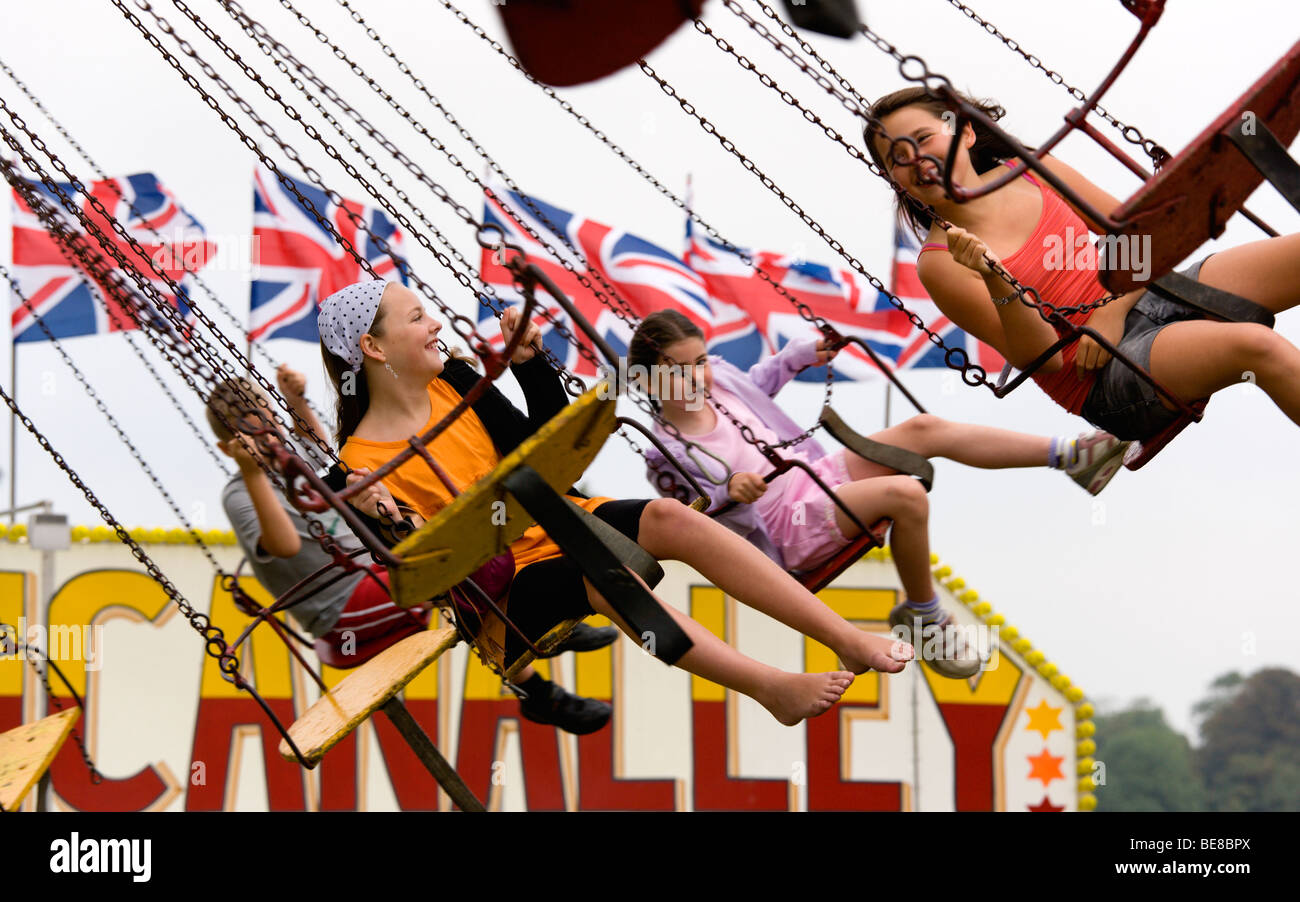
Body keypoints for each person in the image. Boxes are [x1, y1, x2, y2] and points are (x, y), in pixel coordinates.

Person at [317, 279, 923, 727]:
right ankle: (770, 688)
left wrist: (530, 368)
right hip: (503, 598)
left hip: (559, 520)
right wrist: (396, 521)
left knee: (669, 516)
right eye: (418, 317)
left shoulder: (453, 381)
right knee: (607, 579)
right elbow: (425, 580)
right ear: (373, 347)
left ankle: (842, 636)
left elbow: (545, 458)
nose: (436, 326)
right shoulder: (356, 467)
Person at [630, 309, 1123, 678]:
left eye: (699, 361)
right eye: (678, 369)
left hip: (814, 475)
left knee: (924, 428)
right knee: (906, 496)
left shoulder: (719, 380)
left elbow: (758, 383)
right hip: (787, 530)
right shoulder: (663, 450)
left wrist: (798, 357)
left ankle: (1075, 457)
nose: (697, 376)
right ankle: (926, 618)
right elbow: (695, 517)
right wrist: (729, 493)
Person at [864, 86, 1300, 444]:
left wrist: (1111, 310)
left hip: (1136, 296)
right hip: (1102, 376)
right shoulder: (941, 263)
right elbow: (1040, 358)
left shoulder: (1029, 170)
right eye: (895, 159)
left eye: (923, 139)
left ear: (967, 133)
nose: (914, 159)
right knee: (1255, 347)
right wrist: (994, 276)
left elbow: (1142, 235)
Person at [208, 365, 619, 736]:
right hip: (340, 608)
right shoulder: (240, 493)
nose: (267, 432)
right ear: (230, 445)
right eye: (251, 428)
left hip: (374, 578)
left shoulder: (294, 459)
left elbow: (325, 459)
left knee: (452, 559)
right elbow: (285, 544)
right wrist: (250, 471)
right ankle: (535, 653)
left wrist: (297, 402)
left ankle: (536, 667)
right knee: (448, 569)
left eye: (269, 418)